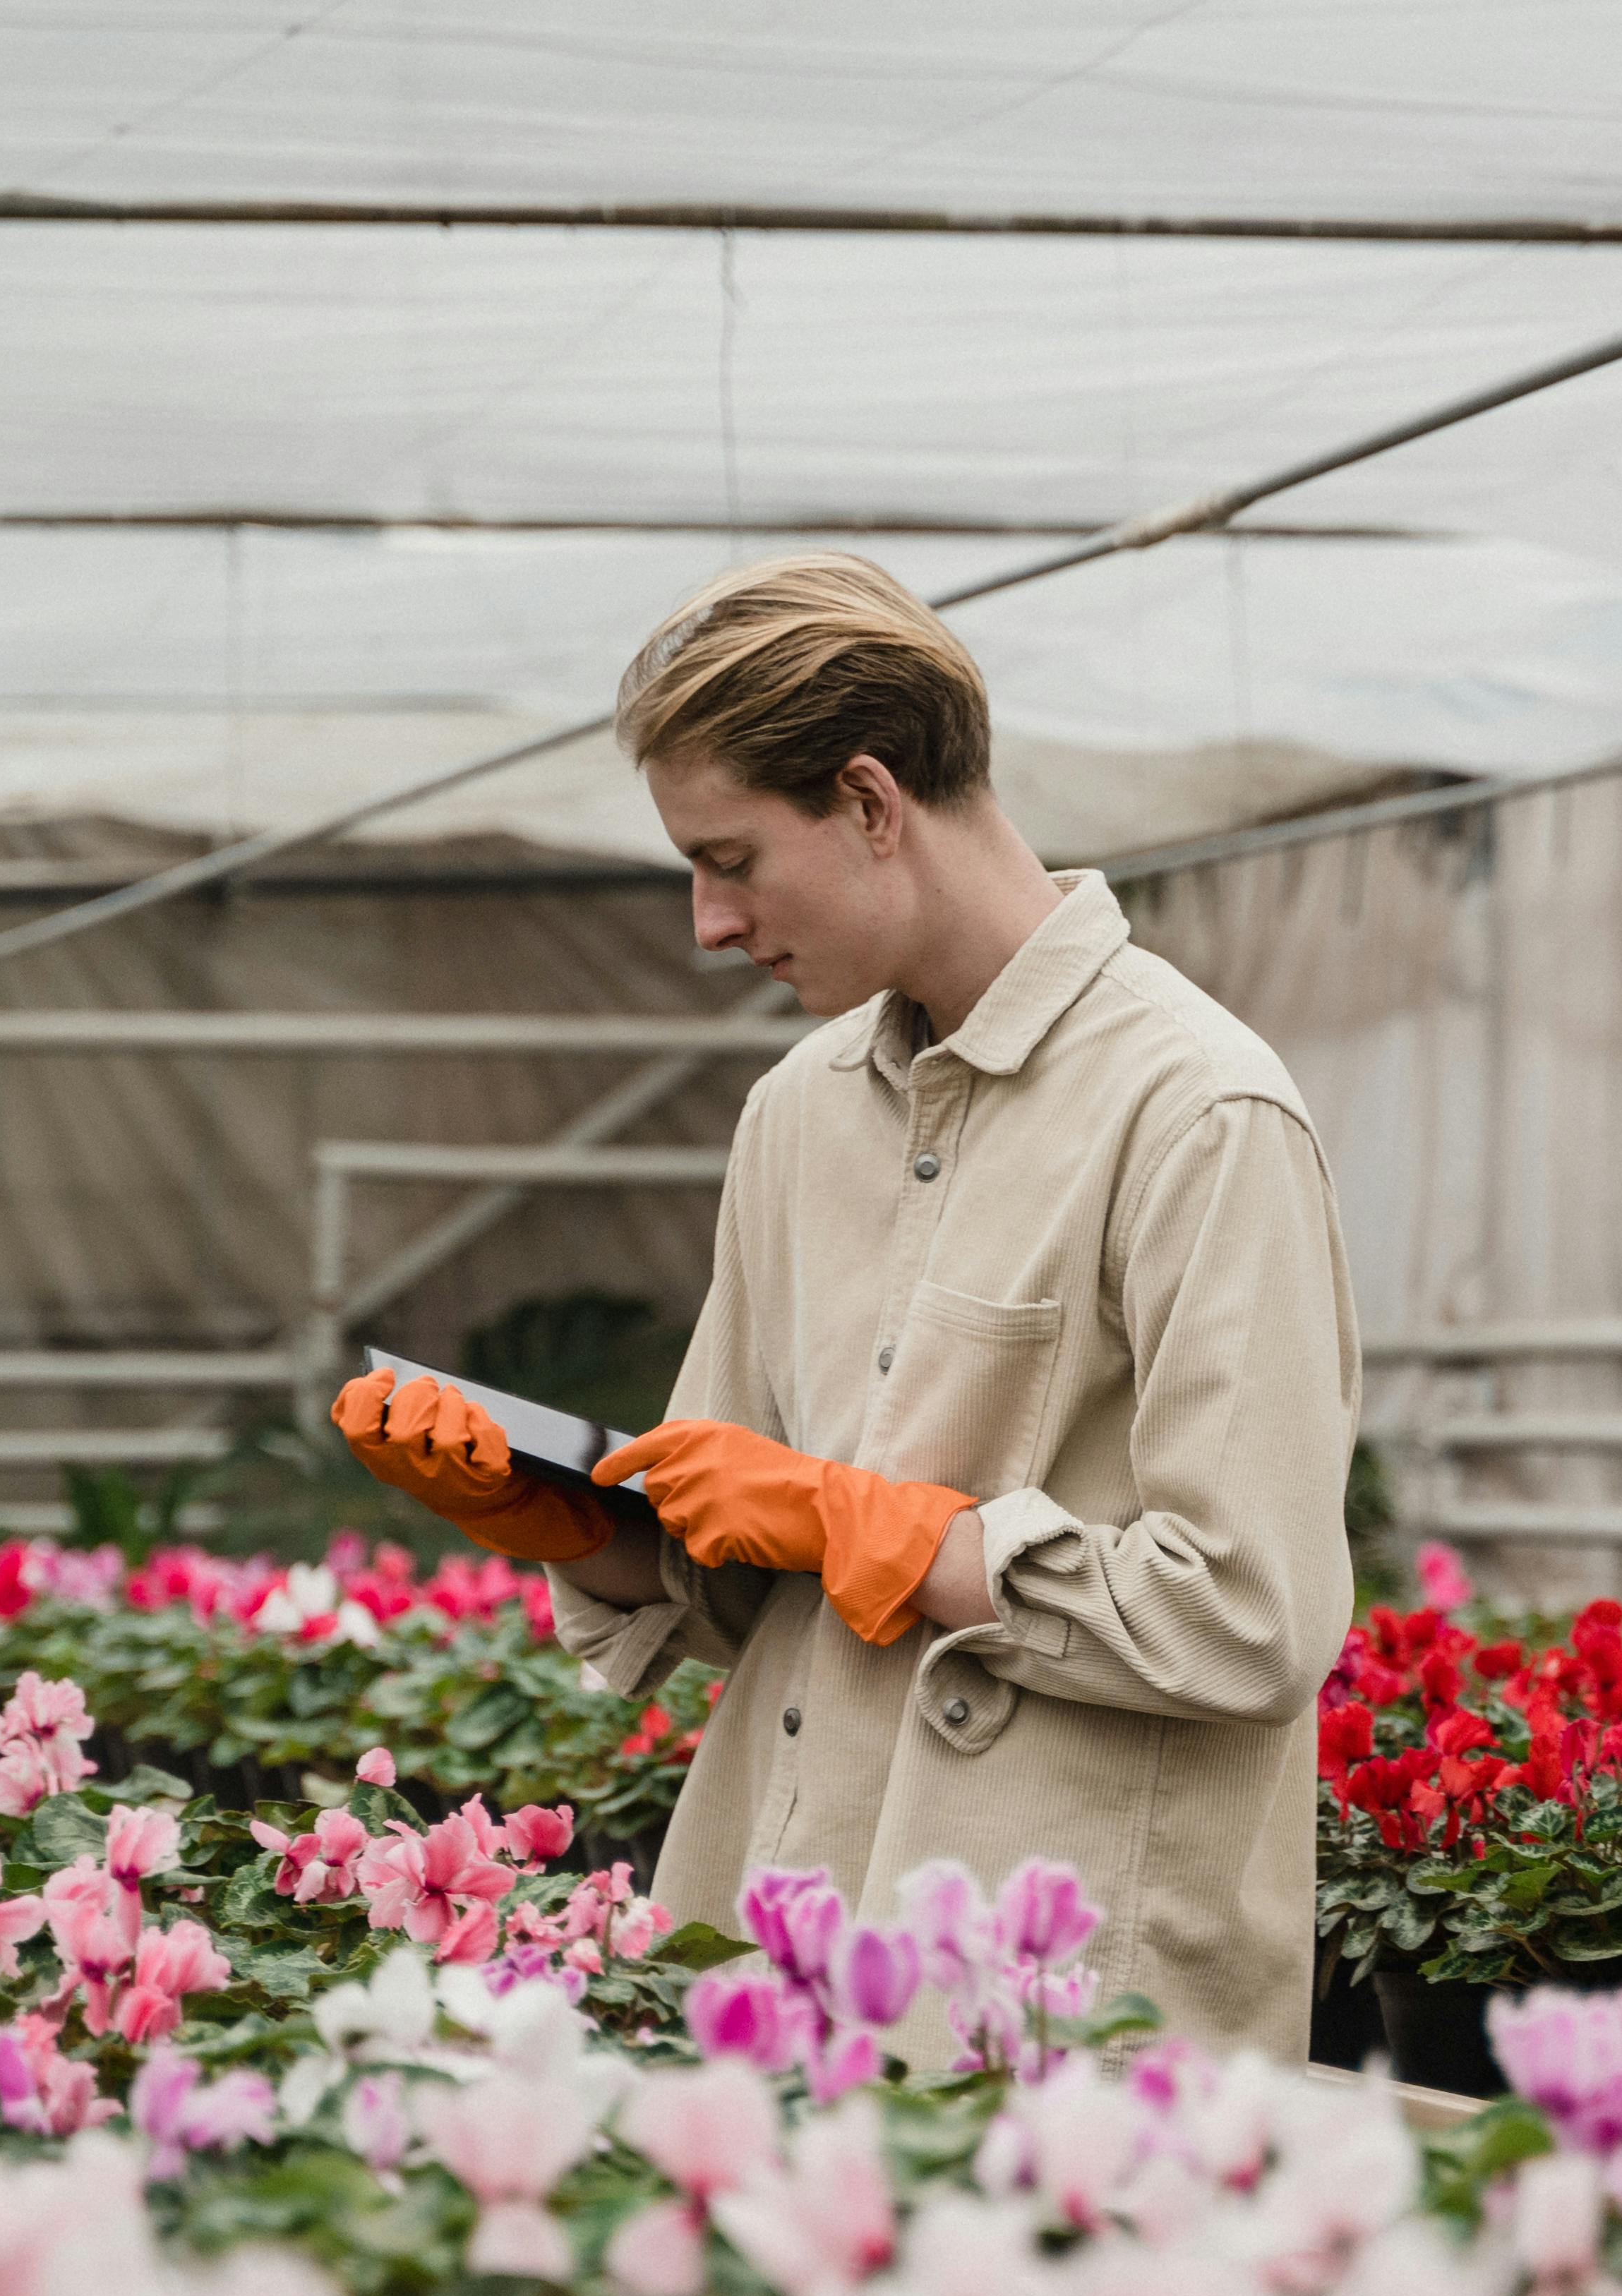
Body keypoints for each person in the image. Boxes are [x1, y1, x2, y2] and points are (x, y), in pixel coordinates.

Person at [332, 553, 1357, 2056]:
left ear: (871, 804)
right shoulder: (797, 1114)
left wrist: (886, 1529)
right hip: (787, 1929)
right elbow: (764, 1564)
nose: (707, 923)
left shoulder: (1195, 1112)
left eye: (730, 858)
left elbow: (1252, 1620)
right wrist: (580, 1524)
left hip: (1058, 2009)